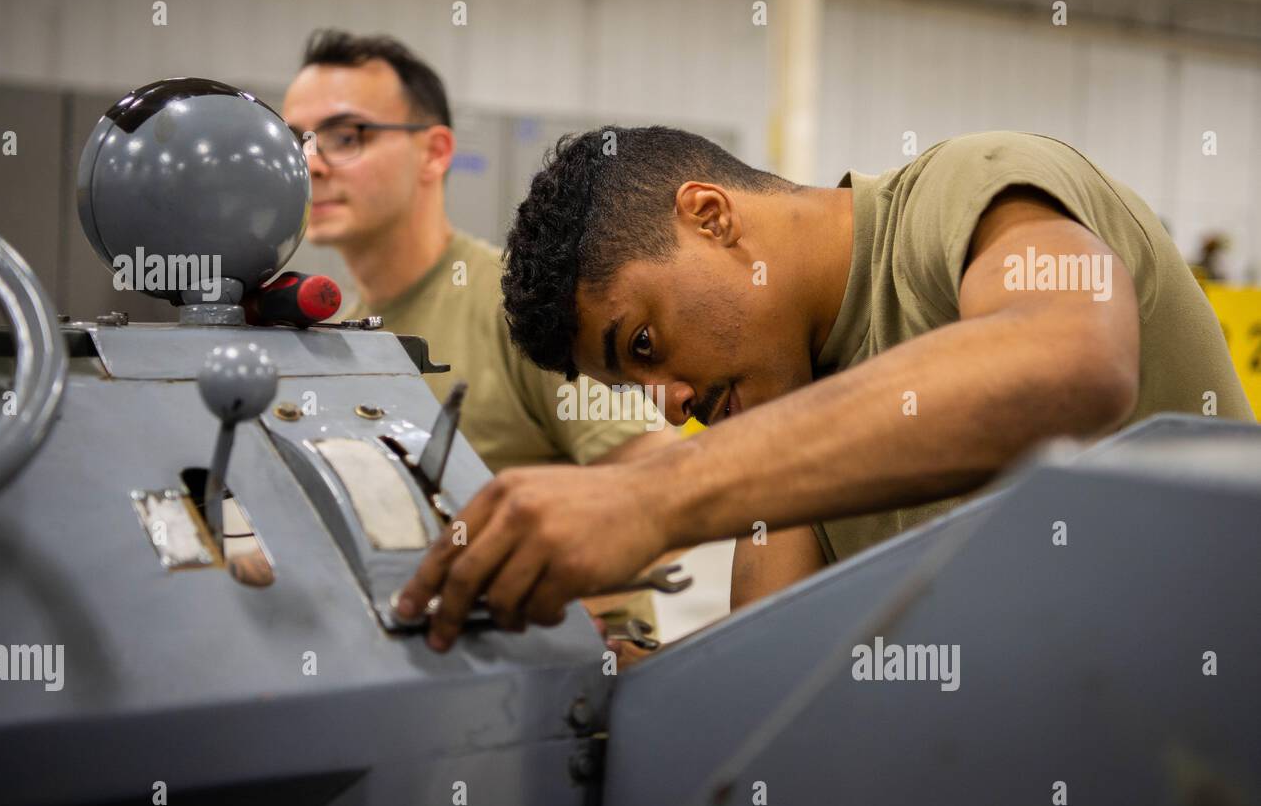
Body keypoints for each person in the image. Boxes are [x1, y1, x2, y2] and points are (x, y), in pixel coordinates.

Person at [395, 126, 1255, 651]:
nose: (666, 401)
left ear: (710, 214)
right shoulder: (791, 410)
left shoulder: (965, 191)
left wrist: (649, 496)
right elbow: (766, 671)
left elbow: (1070, 360)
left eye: (646, 343)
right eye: (632, 382)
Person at [282, 35, 677, 654]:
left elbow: (664, 482)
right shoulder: (342, 339)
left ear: (434, 153)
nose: (311, 163)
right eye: (297, 140)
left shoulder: (517, 310)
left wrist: (566, 615)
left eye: (346, 135)